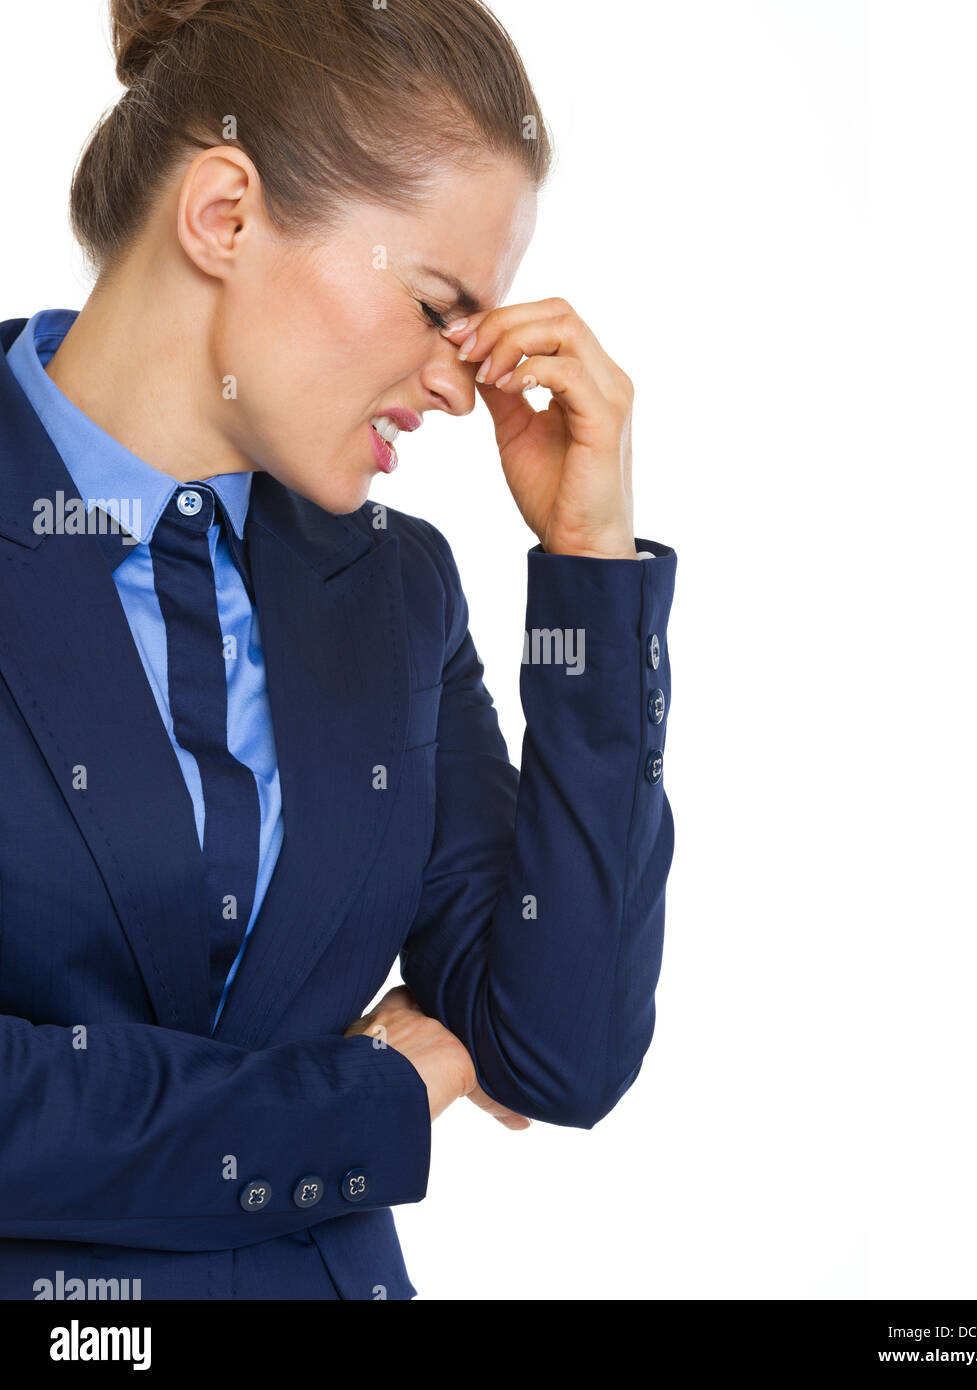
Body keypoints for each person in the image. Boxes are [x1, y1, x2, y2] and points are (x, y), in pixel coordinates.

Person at [0, 0, 677, 1300]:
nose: (461, 381)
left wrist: (591, 570)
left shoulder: (391, 586)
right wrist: (350, 1100)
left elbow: (557, 1046)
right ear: (226, 216)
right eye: (438, 306)